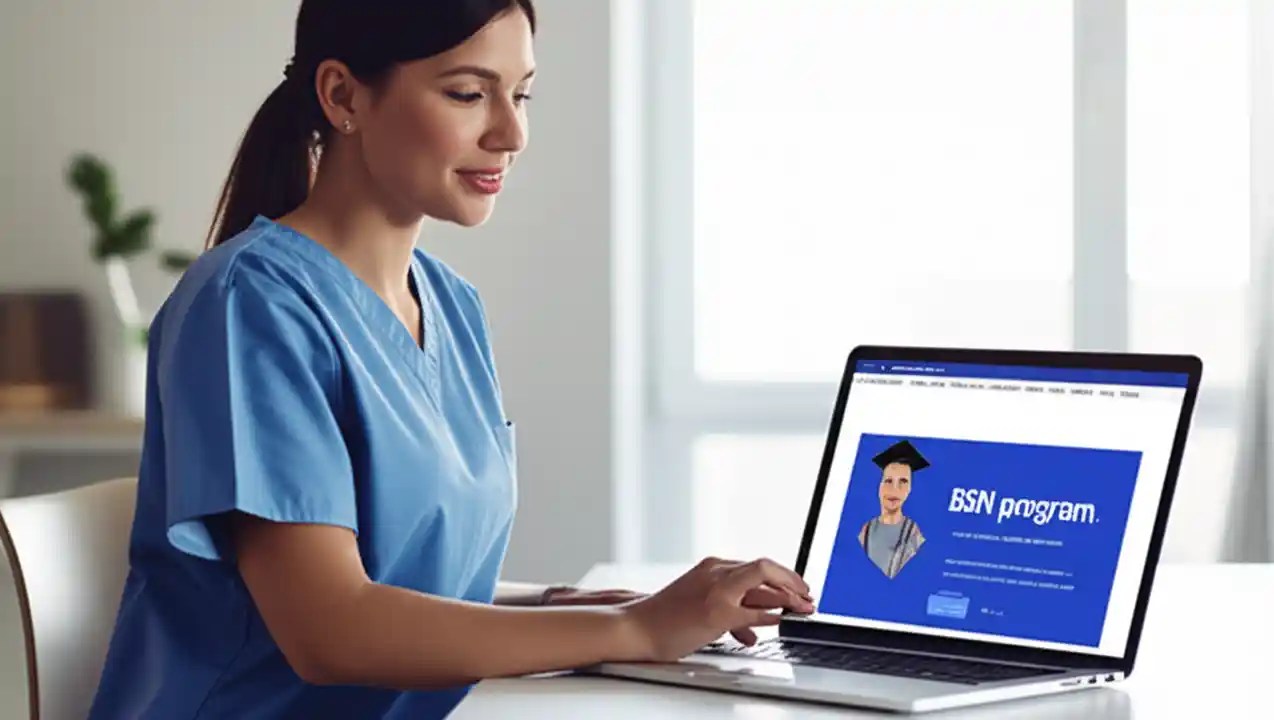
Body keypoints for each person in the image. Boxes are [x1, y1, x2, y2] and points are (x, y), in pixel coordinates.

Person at [86, 2, 813, 718]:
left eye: (521, 93)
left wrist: (569, 608)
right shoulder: (250, 305)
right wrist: (634, 631)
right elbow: (329, 629)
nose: (512, 132)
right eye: (468, 94)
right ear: (343, 95)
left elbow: (398, 575)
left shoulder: (450, 305)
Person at [858, 439, 929, 579]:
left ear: (909, 489)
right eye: (888, 481)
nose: (895, 489)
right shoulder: (865, 531)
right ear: (879, 487)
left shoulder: (915, 535)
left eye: (903, 482)